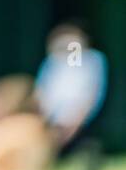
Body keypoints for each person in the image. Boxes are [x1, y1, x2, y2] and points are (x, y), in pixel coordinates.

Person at [34, 22, 108, 157]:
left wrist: (75, 120)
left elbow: (89, 95)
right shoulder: (52, 64)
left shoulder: (92, 60)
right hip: (54, 117)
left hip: (77, 116)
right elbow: (43, 93)